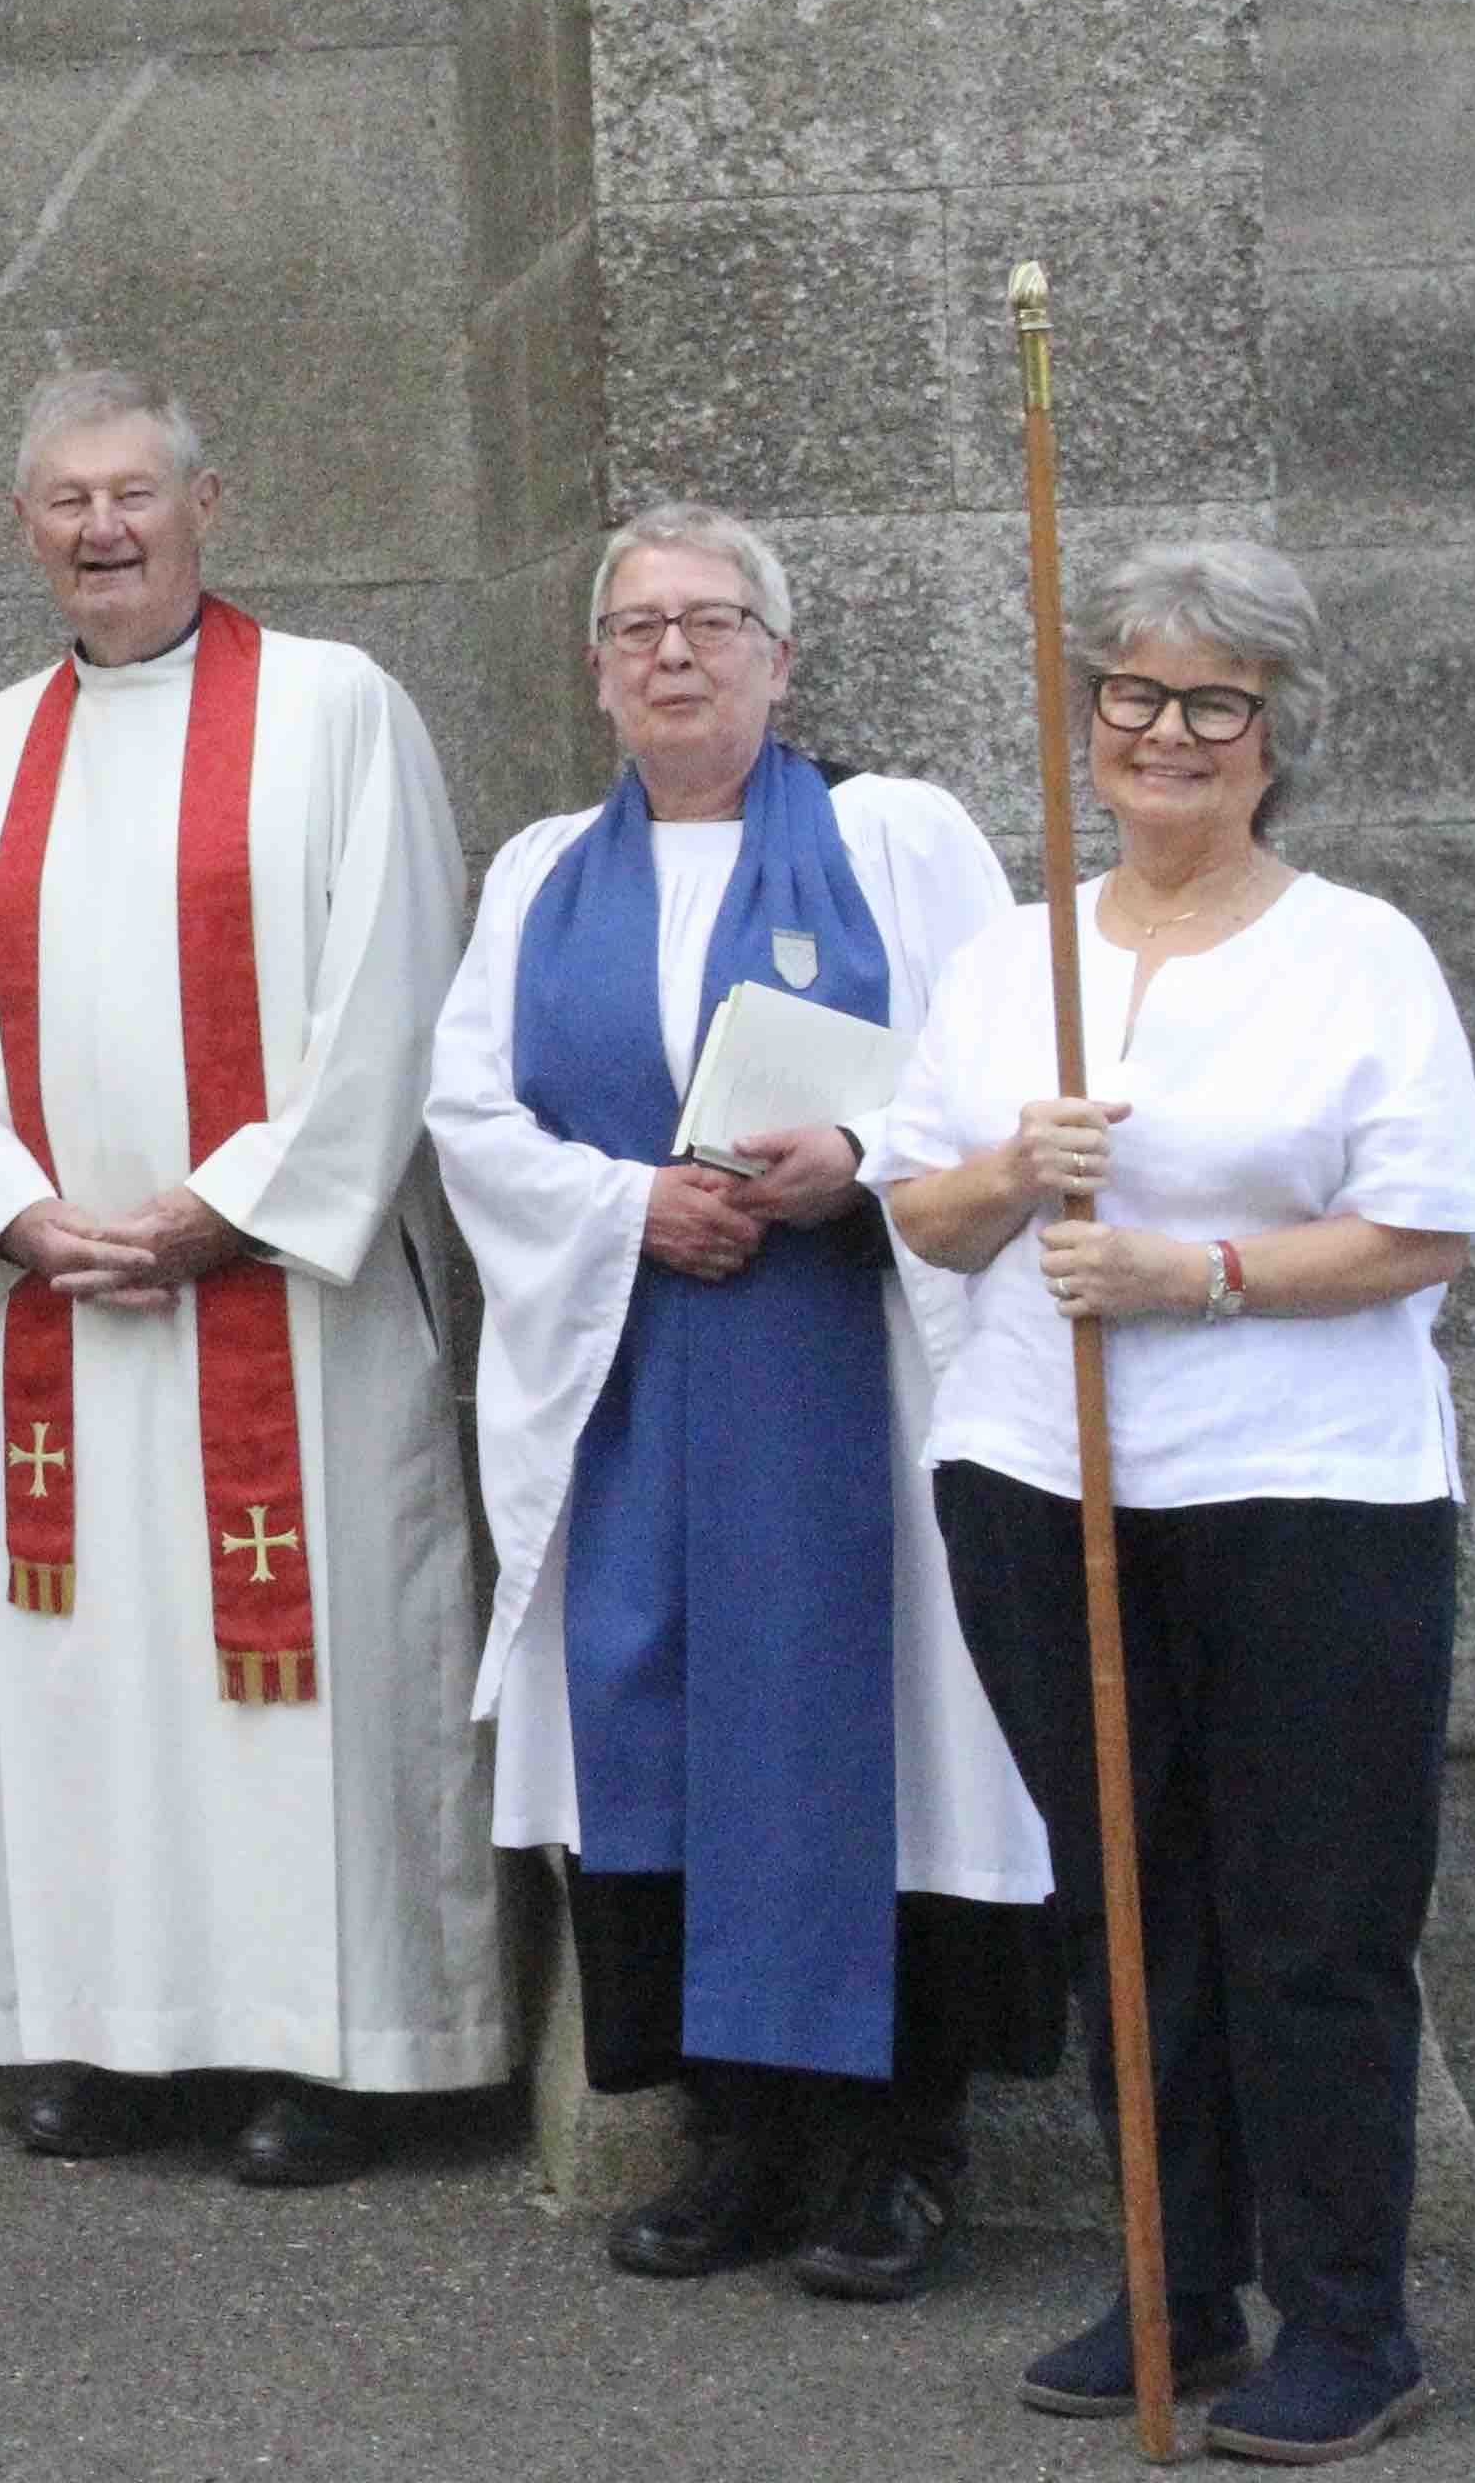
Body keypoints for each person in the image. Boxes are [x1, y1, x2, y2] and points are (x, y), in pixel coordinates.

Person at [874, 539, 1475, 2463]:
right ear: (1089, 725)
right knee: (1124, 1902)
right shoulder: (1009, 953)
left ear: (1268, 740)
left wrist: (1196, 1276)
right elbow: (915, 1208)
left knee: (1306, 1918)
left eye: (1209, 705)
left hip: (1305, 1501)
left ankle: (1348, 2320)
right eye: (1131, 696)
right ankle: (1173, 2284)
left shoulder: (1353, 953)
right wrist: (1010, 1164)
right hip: (1036, 1483)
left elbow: (1424, 1232)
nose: (1163, 732)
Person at [429, 503, 1053, 2301]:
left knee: (880, 1734)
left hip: (853, 1365)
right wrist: (634, 1202)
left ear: (780, 659)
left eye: (711, 622)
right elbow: (467, 1113)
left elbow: (991, 1054)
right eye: (636, 628)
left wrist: (858, 1157)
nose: (674, 654)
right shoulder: (542, 871)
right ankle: (734, 2142)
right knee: (658, 1718)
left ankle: (894, 2154)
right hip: (634, 1372)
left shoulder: (891, 837)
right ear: (597, 671)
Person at [0, 366, 503, 2186]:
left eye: (132, 495)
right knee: (93, 1679)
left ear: (204, 503)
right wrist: (20, 1215)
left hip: (278, 1313)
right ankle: (114, 2031)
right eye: (65, 501)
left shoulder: (329, 707)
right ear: (26, 529)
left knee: (300, 1690)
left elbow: (395, 986)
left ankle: (333, 2049)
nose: (101, 529)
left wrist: (220, 1211)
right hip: (67, 1323)